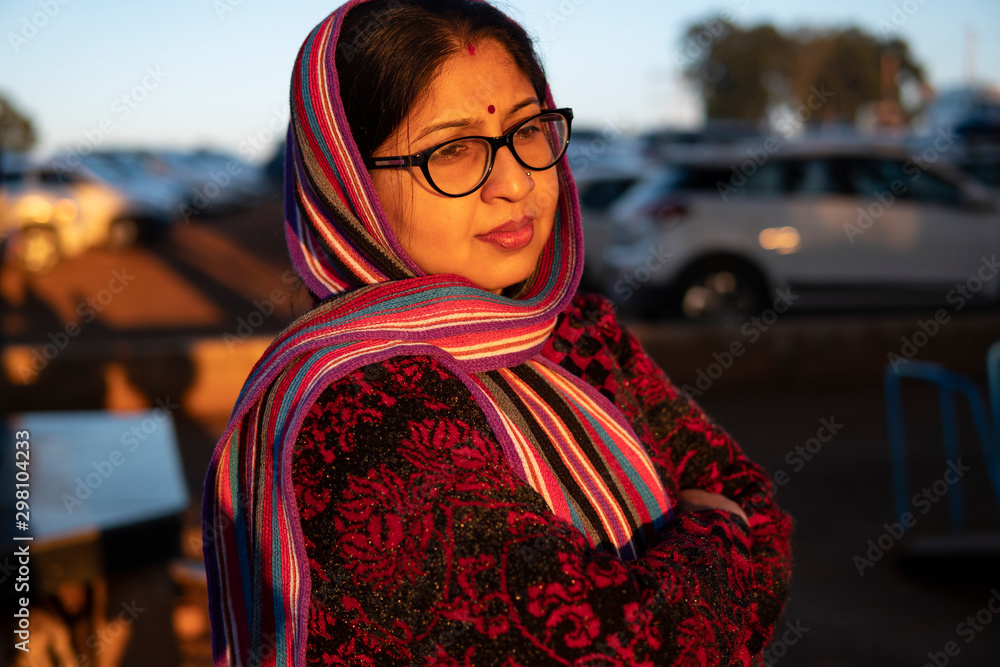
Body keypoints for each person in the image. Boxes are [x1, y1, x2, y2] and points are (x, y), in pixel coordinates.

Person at [202, 1, 793, 665]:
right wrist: (720, 532)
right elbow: (616, 649)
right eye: (452, 150)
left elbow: (757, 501)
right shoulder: (361, 411)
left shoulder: (575, 333)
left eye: (529, 129)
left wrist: (706, 553)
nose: (515, 181)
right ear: (349, 183)